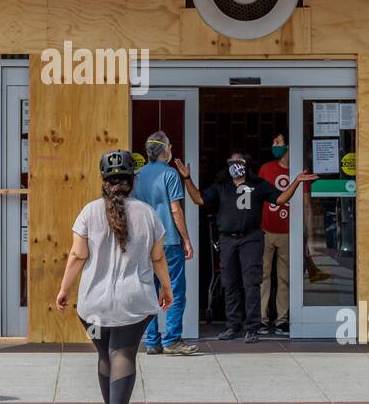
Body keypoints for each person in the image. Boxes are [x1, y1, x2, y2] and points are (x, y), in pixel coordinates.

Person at [56, 149, 172, 404]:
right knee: (123, 352)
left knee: (104, 353)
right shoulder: (148, 214)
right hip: (135, 302)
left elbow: (76, 255)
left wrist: (64, 289)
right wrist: (167, 288)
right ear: (132, 180)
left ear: (103, 180)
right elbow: (158, 258)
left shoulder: (88, 212)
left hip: (93, 305)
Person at [177, 152, 314, 343]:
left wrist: (297, 181)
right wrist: (187, 178)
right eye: (231, 161)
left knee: (251, 283)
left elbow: (281, 199)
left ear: (246, 164)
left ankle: (252, 328)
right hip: (227, 240)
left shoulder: (258, 185)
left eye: (239, 161)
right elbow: (199, 199)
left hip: (251, 238)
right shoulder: (222, 186)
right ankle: (233, 326)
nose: (235, 165)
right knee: (230, 283)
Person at [132, 130, 197, 356]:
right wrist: (186, 240)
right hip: (168, 240)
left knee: (150, 291)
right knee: (175, 290)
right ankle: (172, 339)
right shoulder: (170, 175)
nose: (171, 149)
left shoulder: (138, 176)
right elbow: (175, 209)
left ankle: (151, 341)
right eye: (169, 145)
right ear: (164, 150)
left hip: (143, 242)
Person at [258, 134, 292, 335]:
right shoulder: (266, 169)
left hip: (288, 232)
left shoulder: (298, 170)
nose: (274, 145)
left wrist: (307, 233)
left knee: (284, 278)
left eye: (278, 142)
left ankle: (281, 320)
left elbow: (306, 203)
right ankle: (262, 318)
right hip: (266, 229)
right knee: (263, 276)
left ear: (289, 145)